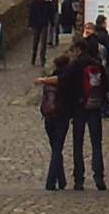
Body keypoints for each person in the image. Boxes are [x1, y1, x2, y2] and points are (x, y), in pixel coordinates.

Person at [68, 39, 107, 190]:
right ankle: (99, 178)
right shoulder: (96, 63)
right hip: (94, 106)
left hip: (79, 107)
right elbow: (106, 85)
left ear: (78, 50)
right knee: (96, 143)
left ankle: (79, 179)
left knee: (78, 143)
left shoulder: (75, 65)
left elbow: (67, 85)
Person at [32, 54, 72, 191]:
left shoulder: (50, 80)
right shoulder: (66, 78)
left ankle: (61, 180)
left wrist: (42, 80)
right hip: (61, 116)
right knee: (57, 149)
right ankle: (50, 182)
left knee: (55, 148)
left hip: (49, 117)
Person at [93, 15, 109, 119]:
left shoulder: (96, 35)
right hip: (106, 64)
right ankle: (104, 109)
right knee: (105, 87)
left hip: (100, 64)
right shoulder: (104, 36)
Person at [28, 0, 53, 65]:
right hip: (36, 25)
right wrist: (30, 24)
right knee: (35, 42)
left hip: (44, 24)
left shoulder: (46, 3)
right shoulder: (34, 3)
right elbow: (31, 14)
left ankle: (42, 59)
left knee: (43, 43)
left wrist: (51, 22)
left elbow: (50, 13)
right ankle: (33, 57)